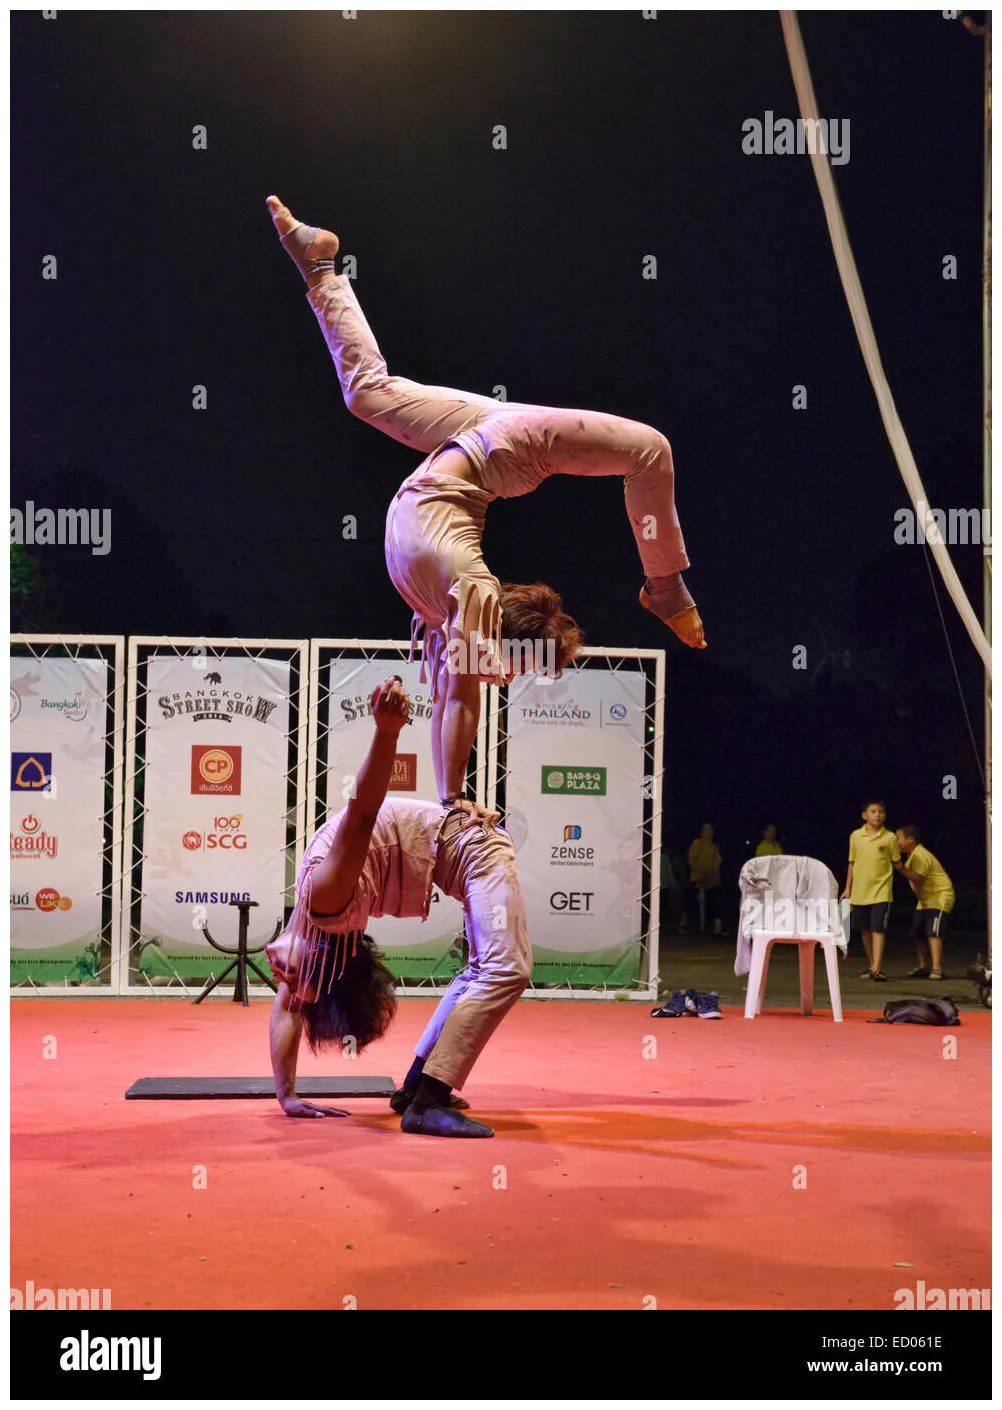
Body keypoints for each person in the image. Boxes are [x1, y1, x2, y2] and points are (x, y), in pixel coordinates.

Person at [267, 196, 706, 807]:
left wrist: (451, 799)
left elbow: (452, 695)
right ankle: (666, 588)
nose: (508, 677)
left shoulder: (450, 611)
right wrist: (454, 803)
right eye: (520, 666)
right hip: (502, 447)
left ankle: (319, 267)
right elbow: (462, 701)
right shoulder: (467, 595)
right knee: (649, 451)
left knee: (368, 394)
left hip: (476, 449)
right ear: (505, 637)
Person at [265, 676, 532, 1139]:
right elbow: (288, 1010)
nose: (284, 979)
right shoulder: (314, 944)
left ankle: (423, 1097)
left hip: (477, 850)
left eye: (294, 979)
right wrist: (285, 1095)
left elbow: (362, 811)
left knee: (504, 968)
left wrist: (387, 731)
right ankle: (420, 1095)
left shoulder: (327, 898)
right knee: (490, 969)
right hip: (456, 855)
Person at [841, 799, 903, 981]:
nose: (877, 815)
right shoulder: (855, 836)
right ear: (864, 815)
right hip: (860, 891)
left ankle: (877, 967)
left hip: (881, 890)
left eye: (881, 812)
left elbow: (896, 862)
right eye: (873, 811)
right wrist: (847, 889)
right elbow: (852, 863)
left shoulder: (889, 837)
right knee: (865, 930)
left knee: (878, 928)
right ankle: (871, 965)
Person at [895, 826, 955, 980]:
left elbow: (918, 878)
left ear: (910, 839)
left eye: (898, 838)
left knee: (934, 932)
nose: (896, 842)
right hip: (925, 899)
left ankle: (936, 968)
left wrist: (901, 868)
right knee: (917, 933)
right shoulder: (911, 856)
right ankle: (923, 966)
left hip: (939, 895)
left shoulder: (920, 855)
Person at [684, 823, 724, 935]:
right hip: (697, 879)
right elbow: (692, 859)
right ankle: (685, 925)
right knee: (690, 902)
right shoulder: (698, 843)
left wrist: (715, 877)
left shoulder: (714, 846)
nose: (709, 832)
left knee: (715, 902)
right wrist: (698, 874)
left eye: (710, 829)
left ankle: (717, 928)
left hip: (711, 881)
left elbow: (717, 863)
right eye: (706, 829)